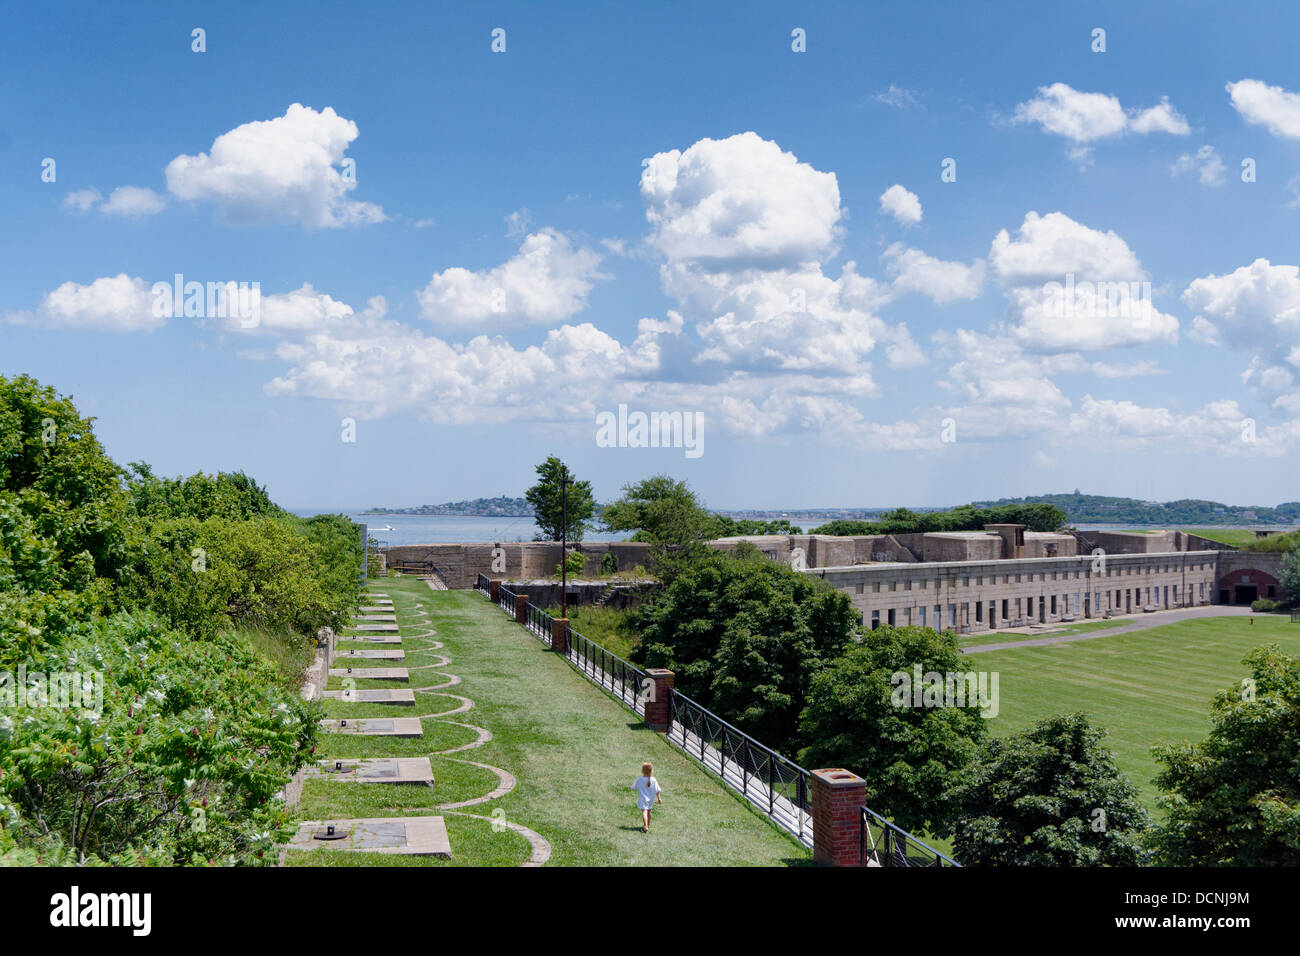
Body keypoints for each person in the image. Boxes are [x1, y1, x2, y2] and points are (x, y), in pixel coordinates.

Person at [633, 761, 662, 833]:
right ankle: (648, 825)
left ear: (642, 771)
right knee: (649, 812)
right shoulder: (653, 780)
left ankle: (645, 826)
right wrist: (659, 798)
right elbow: (657, 790)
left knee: (644, 811)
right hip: (651, 799)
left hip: (642, 799)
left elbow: (634, 787)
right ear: (651, 771)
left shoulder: (640, 779)